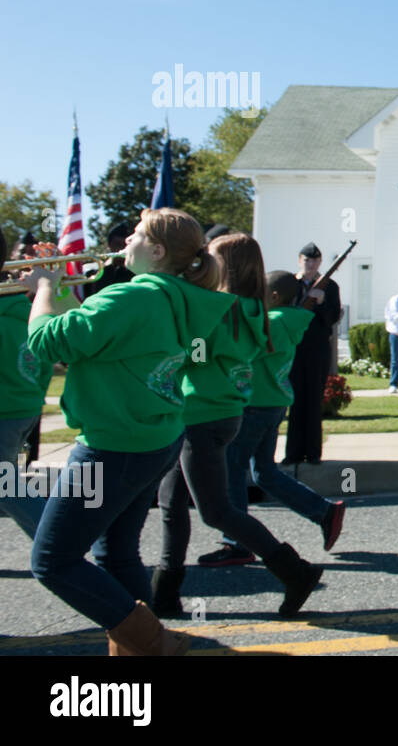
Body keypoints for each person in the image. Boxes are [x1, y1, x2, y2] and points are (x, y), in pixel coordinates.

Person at [22, 208, 232, 654]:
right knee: (116, 552)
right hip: (151, 439)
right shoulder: (173, 297)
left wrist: (41, 288)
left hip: (110, 446)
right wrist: (55, 289)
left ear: (155, 250)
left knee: (52, 561)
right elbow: (89, 339)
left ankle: (153, 643)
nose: (123, 241)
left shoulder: (132, 297)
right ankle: (144, 645)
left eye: (135, 234)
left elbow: (48, 344)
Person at [153, 233, 324, 618]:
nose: (201, 263)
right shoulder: (248, 308)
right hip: (213, 411)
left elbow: (194, 354)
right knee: (173, 502)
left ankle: (294, 571)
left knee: (215, 511)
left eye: (208, 258)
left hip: (202, 414)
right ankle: (165, 593)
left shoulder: (221, 310)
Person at [199, 270, 346, 567]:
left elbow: (246, 351)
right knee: (264, 472)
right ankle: (322, 511)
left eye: (261, 292)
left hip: (256, 403)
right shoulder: (292, 319)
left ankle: (237, 541)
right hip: (274, 402)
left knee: (233, 467)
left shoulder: (274, 322)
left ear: (274, 296)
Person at [0, 230, 56, 538]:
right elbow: (44, 365)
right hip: (24, 406)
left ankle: (58, 541)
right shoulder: (28, 311)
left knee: (6, 485)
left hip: (5, 410)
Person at [284, 242, 341, 465]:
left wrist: (322, 302)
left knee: (313, 401)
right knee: (295, 401)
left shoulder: (330, 287)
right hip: (295, 348)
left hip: (317, 348)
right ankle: (293, 452)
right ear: (300, 261)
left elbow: (333, 318)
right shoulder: (291, 284)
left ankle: (313, 453)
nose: (311, 264)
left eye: (315, 261)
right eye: (307, 260)